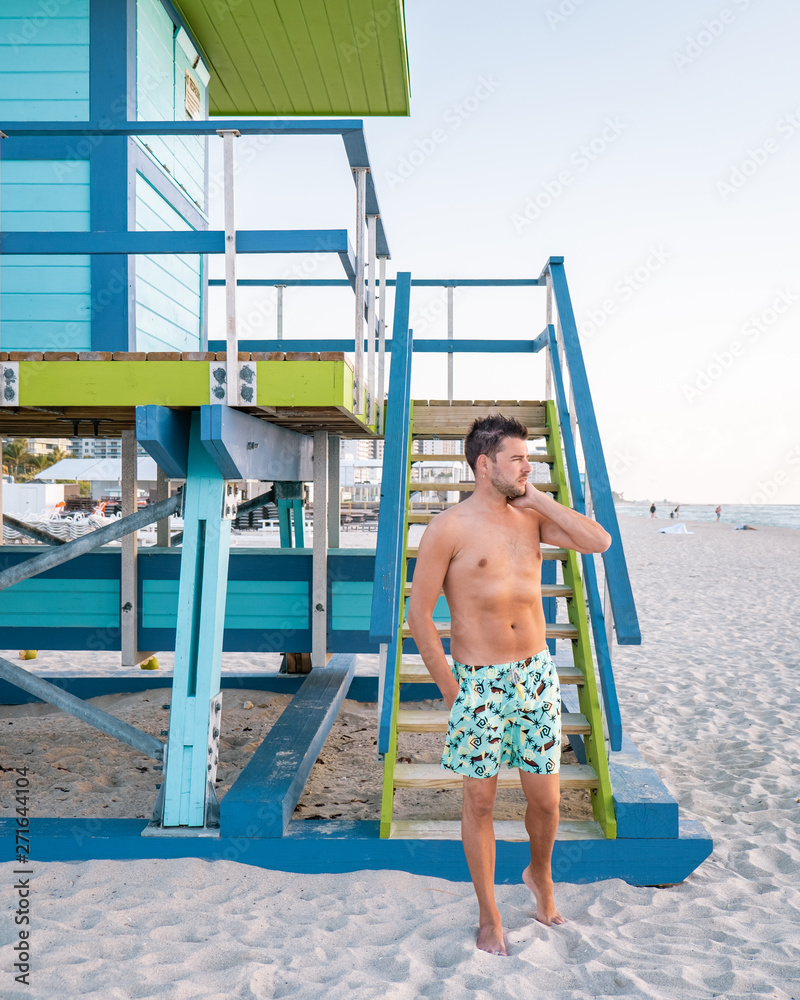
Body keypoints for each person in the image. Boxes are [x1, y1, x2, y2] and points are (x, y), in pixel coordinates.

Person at [407, 414, 611, 956]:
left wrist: (539, 499)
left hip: (535, 675)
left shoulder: (531, 518)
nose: (528, 465)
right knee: (479, 802)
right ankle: (489, 913)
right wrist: (452, 691)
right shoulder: (447, 528)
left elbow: (599, 541)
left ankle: (539, 876)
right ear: (484, 464)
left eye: (530, 458)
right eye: (518, 458)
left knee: (545, 801)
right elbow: (420, 617)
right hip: (478, 682)